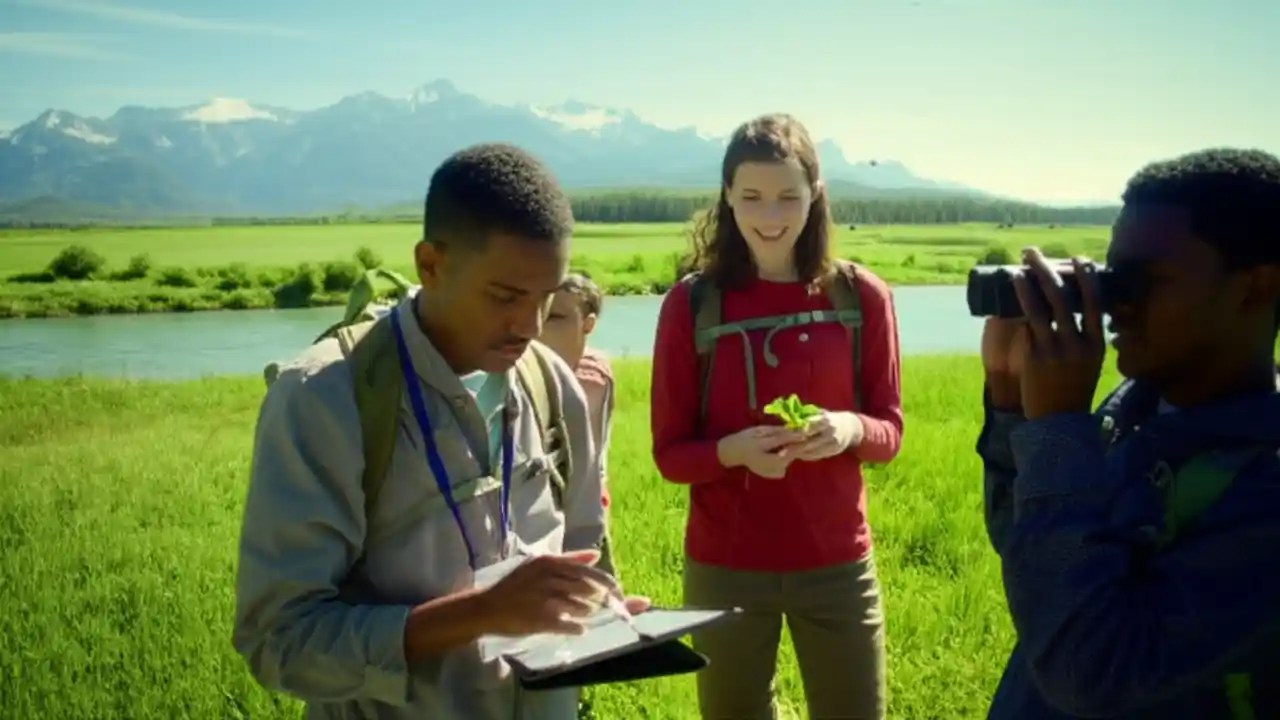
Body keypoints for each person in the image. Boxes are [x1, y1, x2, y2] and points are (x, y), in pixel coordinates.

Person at [232, 142, 649, 720]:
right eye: (504, 297)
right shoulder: (326, 397)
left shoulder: (553, 384)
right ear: (430, 264)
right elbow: (279, 641)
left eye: (546, 299)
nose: (529, 327)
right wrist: (480, 615)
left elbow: (584, 554)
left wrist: (603, 618)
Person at [977, 147, 1280, 719]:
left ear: (1256, 287)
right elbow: (1025, 543)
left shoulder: (1265, 487)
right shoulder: (1133, 408)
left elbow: (1091, 671)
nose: (1116, 305)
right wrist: (1012, 400)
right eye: (1112, 277)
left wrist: (1059, 432)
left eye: (1145, 281)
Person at [649, 113, 903, 720]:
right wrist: (732, 452)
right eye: (753, 197)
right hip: (725, 568)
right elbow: (670, 455)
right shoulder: (690, 306)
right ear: (728, 199)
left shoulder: (861, 297)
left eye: (789, 196)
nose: (771, 216)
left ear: (815, 196)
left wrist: (847, 429)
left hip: (838, 565)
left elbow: (888, 432)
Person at [539, 272, 616, 515]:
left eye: (555, 318)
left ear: (587, 324)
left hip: (579, 502)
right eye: (539, 312)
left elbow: (575, 463)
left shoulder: (590, 377)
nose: (539, 327)